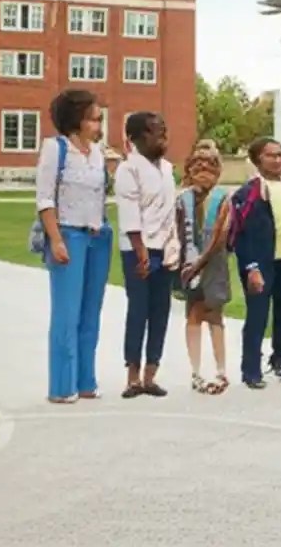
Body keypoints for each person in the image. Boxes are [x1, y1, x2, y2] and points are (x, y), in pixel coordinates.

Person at [37, 89, 111, 404]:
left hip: (98, 235)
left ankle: (86, 381)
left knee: (91, 311)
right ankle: (61, 385)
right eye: (94, 119)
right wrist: (55, 239)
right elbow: (44, 199)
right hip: (69, 234)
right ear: (77, 120)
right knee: (66, 313)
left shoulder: (98, 153)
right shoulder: (56, 149)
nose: (99, 125)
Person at [227, 137, 281, 389]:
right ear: (257, 159)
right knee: (258, 315)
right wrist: (251, 267)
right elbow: (241, 233)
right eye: (270, 155)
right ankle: (251, 370)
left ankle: (280, 359)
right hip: (262, 263)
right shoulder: (249, 193)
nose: (277, 160)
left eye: (280, 155)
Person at [114, 112, 178, 399]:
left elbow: (170, 212)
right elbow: (129, 214)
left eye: (164, 131)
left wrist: (173, 247)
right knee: (138, 311)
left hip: (164, 249)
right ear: (137, 138)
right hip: (138, 250)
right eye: (155, 132)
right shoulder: (129, 170)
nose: (163, 137)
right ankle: (132, 377)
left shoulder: (167, 168)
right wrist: (140, 252)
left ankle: (151, 375)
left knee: (161, 311)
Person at [175, 146, 232, 395]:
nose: (202, 168)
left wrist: (200, 262)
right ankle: (196, 371)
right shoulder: (182, 200)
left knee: (215, 313)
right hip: (188, 261)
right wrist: (184, 263)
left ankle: (221, 370)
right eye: (196, 163)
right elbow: (177, 232)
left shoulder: (224, 198)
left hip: (213, 263)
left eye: (209, 164)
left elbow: (222, 234)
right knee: (194, 313)